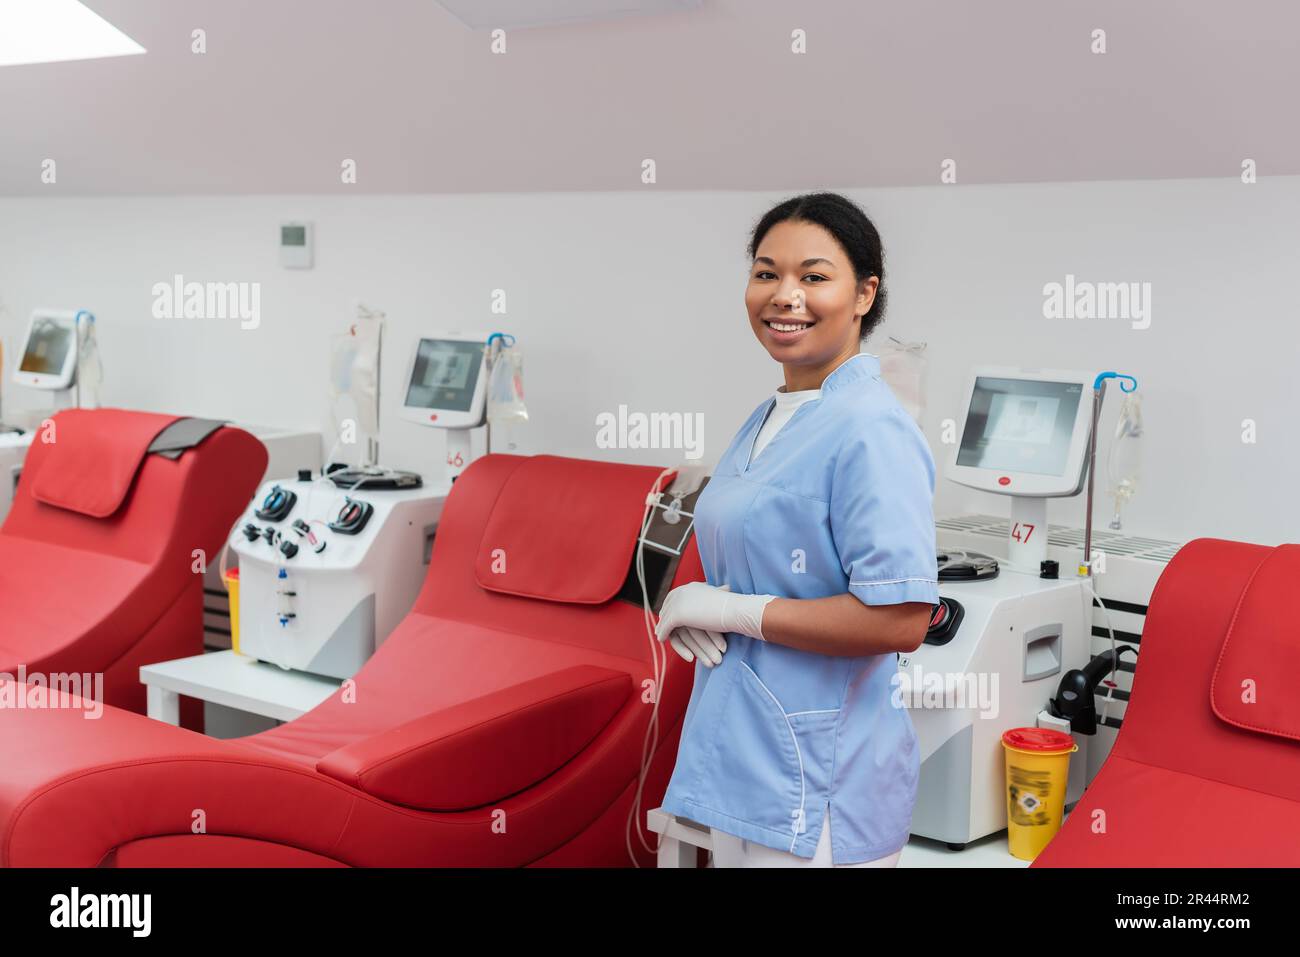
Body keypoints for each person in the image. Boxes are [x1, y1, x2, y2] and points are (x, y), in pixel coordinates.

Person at [656, 192, 939, 868]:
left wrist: (733, 609)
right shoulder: (771, 416)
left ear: (865, 293)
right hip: (742, 758)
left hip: (819, 780)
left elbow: (899, 619)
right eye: (766, 273)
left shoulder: (872, 427)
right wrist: (696, 600)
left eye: (814, 276)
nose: (786, 296)